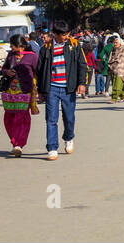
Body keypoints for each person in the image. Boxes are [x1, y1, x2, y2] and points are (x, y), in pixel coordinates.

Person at [36, 20, 88, 161]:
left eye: (67, 34)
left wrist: (82, 83)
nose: (66, 37)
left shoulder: (74, 45)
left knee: (69, 117)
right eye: (64, 35)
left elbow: (82, 65)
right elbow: (40, 71)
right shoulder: (45, 48)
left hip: (68, 88)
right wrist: (40, 91)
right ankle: (52, 148)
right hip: (52, 87)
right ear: (55, 34)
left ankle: (68, 137)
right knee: (51, 119)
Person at [0, 34, 39, 156]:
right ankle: (14, 141)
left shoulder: (32, 57)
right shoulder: (11, 55)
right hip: (9, 91)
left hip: (25, 90)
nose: (11, 47)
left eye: (13, 45)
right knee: (9, 117)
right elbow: (4, 68)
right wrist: (7, 72)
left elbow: (38, 72)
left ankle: (19, 144)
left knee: (22, 117)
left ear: (20, 46)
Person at [105, 33, 124, 102]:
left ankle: (114, 98)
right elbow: (110, 58)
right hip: (114, 69)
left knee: (118, 85)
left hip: (122, 70)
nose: (115, 44)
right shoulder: (113, 49)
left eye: (116, 42)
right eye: (114, 42)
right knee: (115, 84)